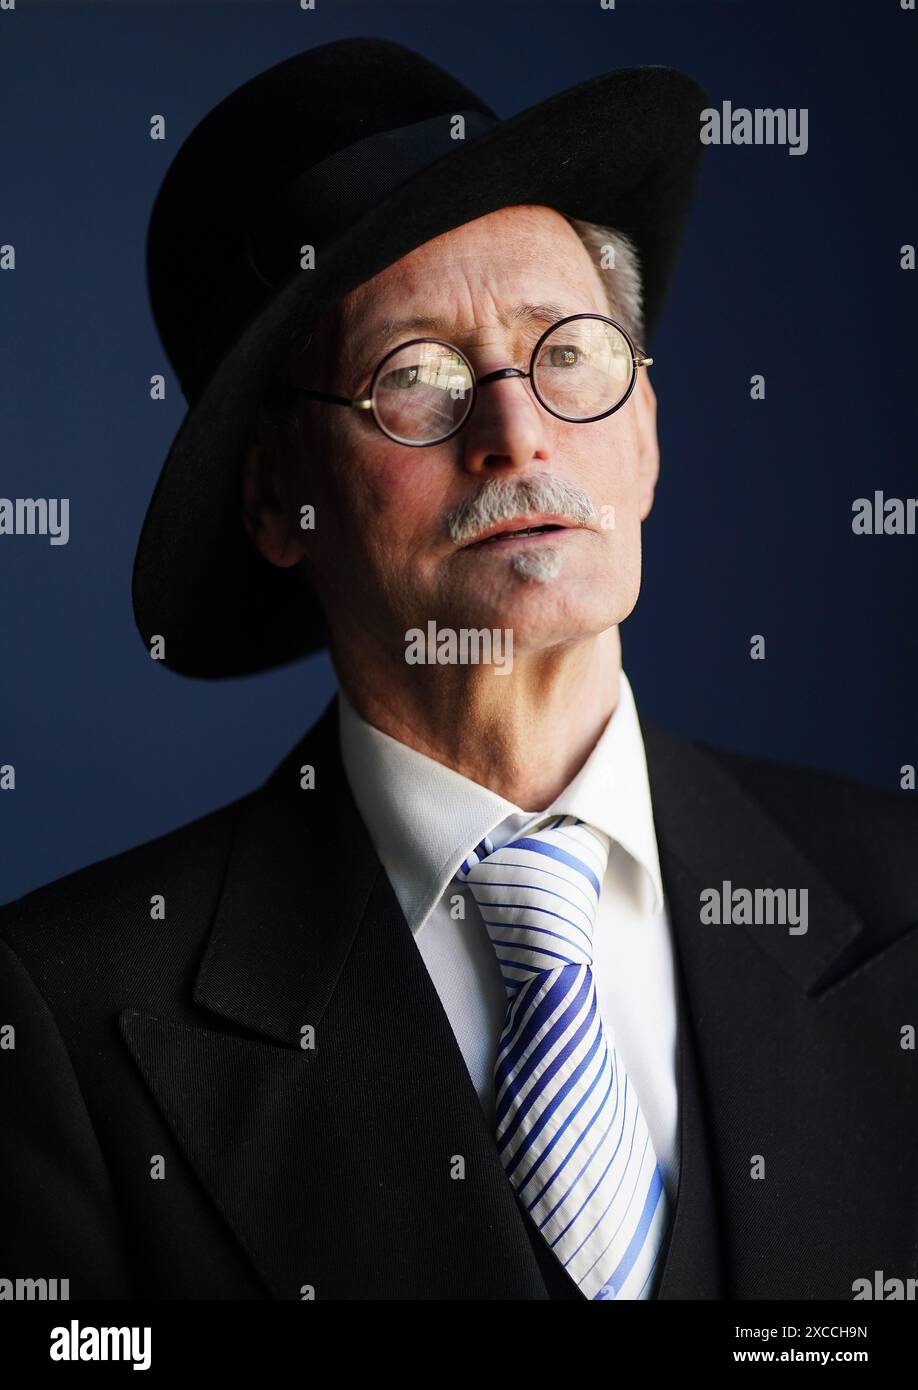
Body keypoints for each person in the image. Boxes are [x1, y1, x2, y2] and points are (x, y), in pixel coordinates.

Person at [2, 37, 916, 1302]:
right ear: (278, 500)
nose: (516, 429)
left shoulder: (900, 897)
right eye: (414, 377)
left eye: (571, 351)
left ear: (646, 429)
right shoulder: (60, 1014)